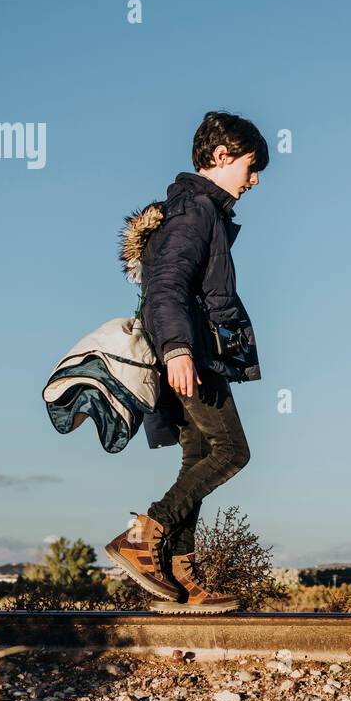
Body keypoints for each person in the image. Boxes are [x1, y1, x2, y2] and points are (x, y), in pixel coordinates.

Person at [104, 111, 268, 613]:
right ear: (221, 157)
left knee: (199, 457)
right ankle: (143, 535)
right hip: (191, 354)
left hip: (195, 352)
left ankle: (180, 570)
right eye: (250, 165)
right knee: (231, 451)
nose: (254, 179)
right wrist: (177, 349)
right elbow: (166, 286)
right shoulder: (195, 210)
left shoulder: (202, 212)